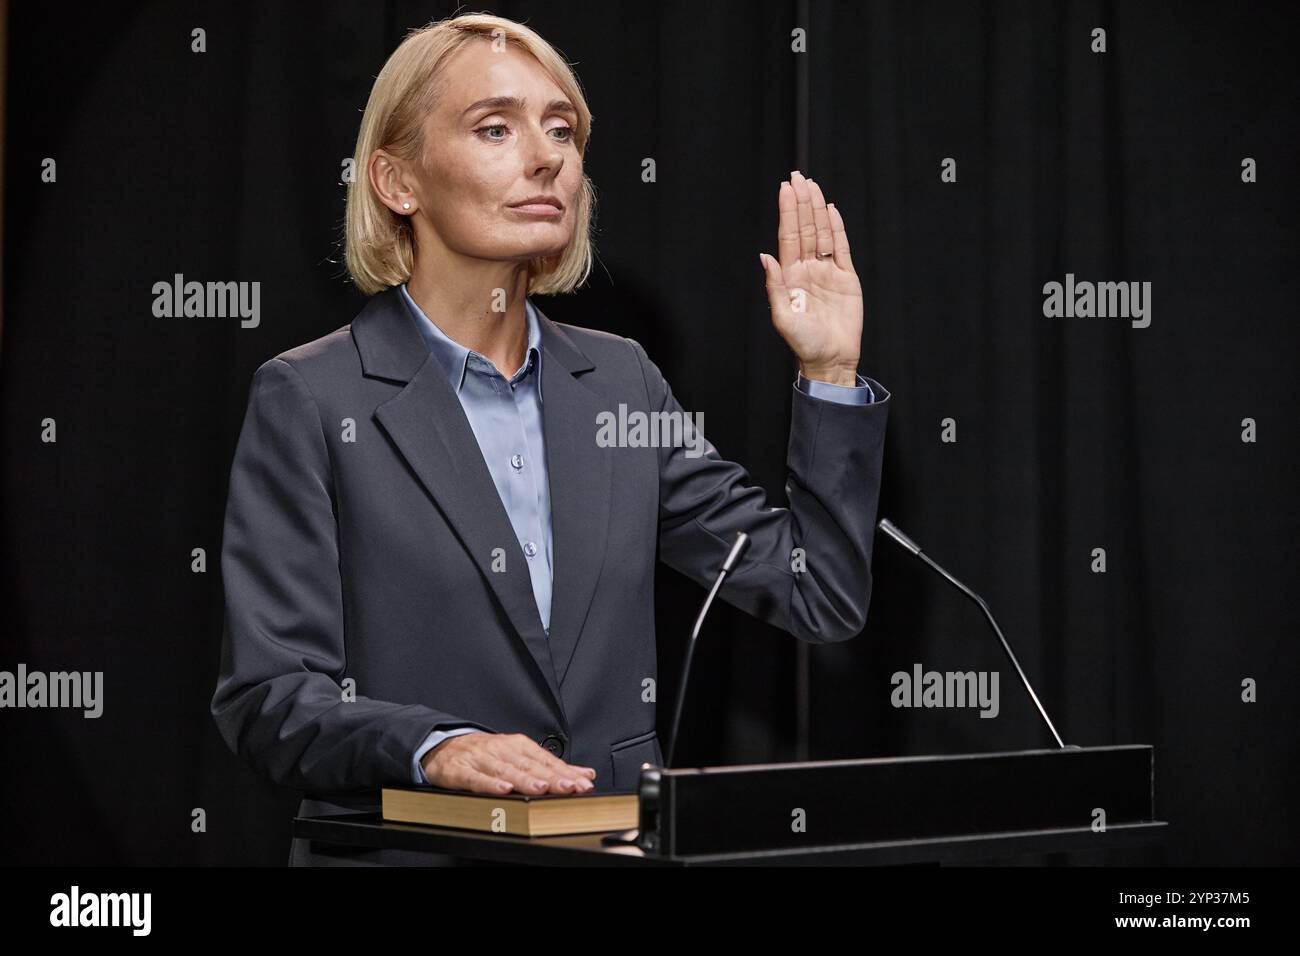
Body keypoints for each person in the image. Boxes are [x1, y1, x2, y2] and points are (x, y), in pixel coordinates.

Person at [210, 12, 890, 866]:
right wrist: (438, 748)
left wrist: (829, 371)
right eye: (495, 127)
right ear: (396, 180)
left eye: (562, 130)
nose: (547, 158)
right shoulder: (309, 396)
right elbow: (270, 700)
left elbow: (818, 594)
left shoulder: (620, 381)